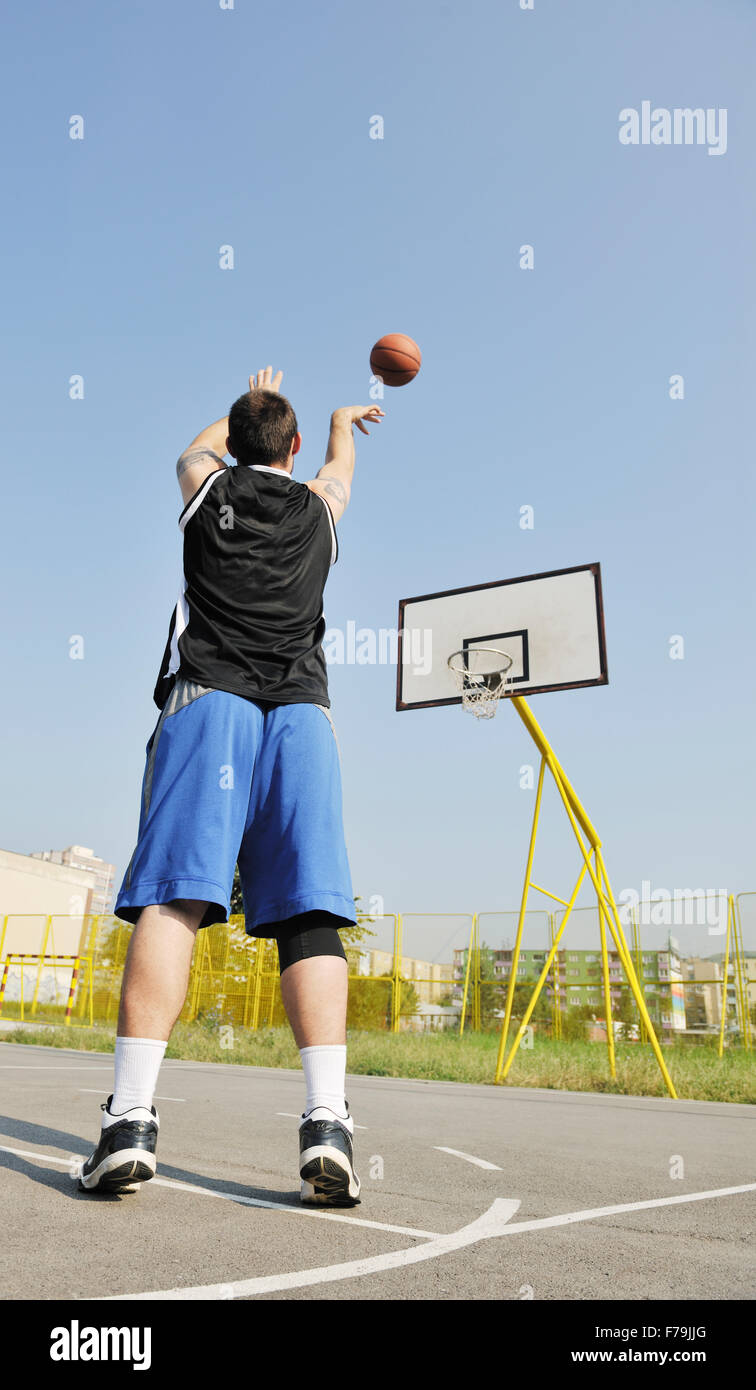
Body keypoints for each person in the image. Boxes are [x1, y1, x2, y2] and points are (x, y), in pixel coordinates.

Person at [79, 366, 384, 1207]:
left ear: (238, 443)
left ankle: (130, 1121)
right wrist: (333, 426)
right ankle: (328, 1124)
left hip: (212, 703)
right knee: (312, 917)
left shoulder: (204, 488)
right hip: (301, 716)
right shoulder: (319, 507)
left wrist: (244, 404)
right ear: (290, 448)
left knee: (175, 901)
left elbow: (192, 449)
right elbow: (340, 472)